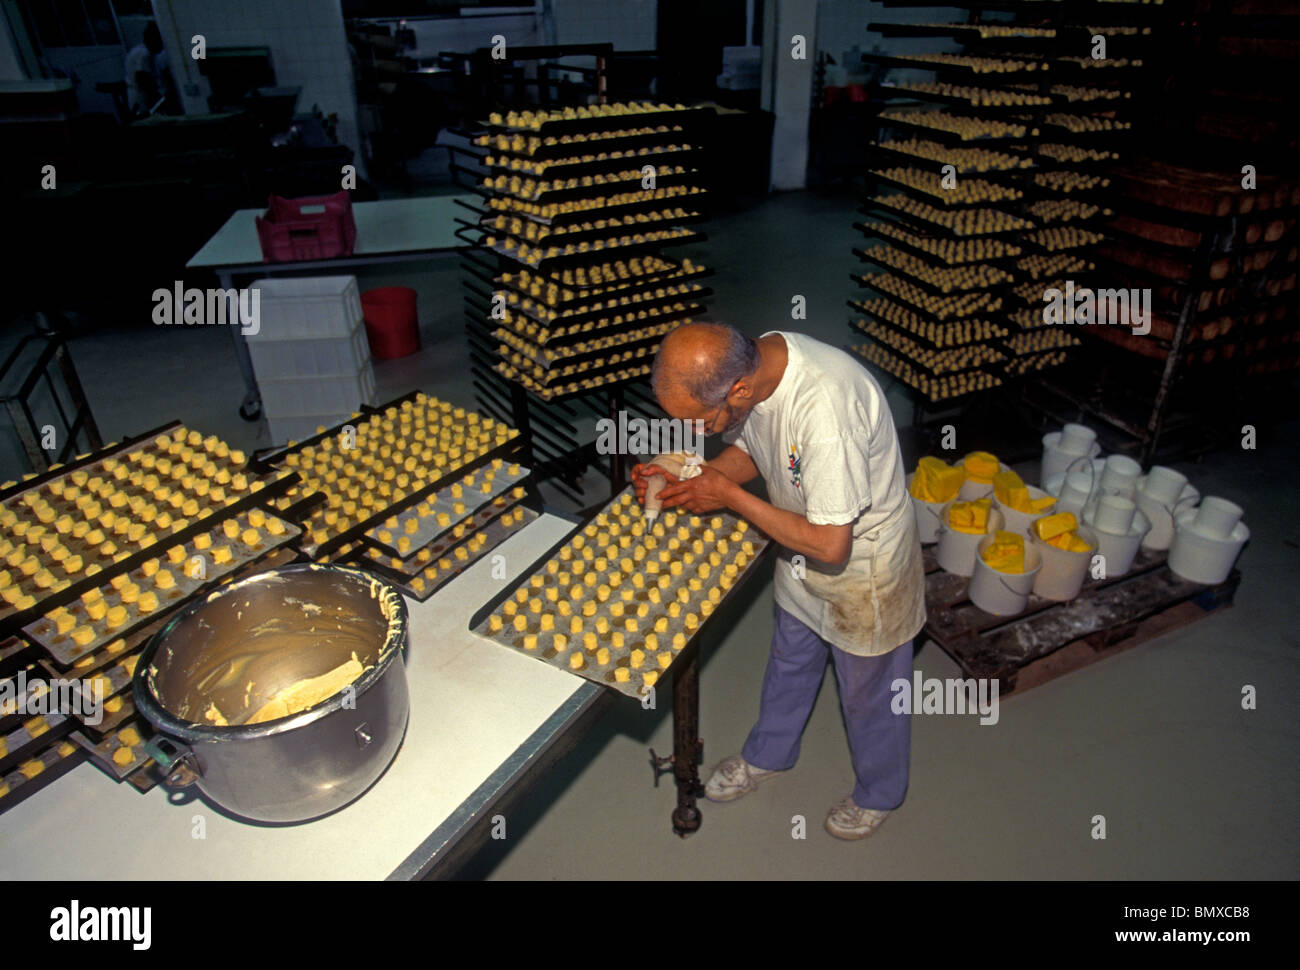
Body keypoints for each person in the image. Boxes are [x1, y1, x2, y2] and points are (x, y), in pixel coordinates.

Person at [632, 323, 926, 840]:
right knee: (791, 659)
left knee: (868, 693)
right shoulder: (762, 362)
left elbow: (833, 544)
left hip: (862, 569)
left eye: (700, 421)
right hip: (798, 544)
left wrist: (727, 496)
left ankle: (879, 792)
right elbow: (751, 453)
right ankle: (769, 755)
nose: (697, 435)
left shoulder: (825, 410)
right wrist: (691, 480)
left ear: (739, 391)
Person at [124, 23, 164, 116]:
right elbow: (142, 77)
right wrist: (155, 96)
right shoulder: (144, 54)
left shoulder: (137, 49)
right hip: (140, 94)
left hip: (136, 91)